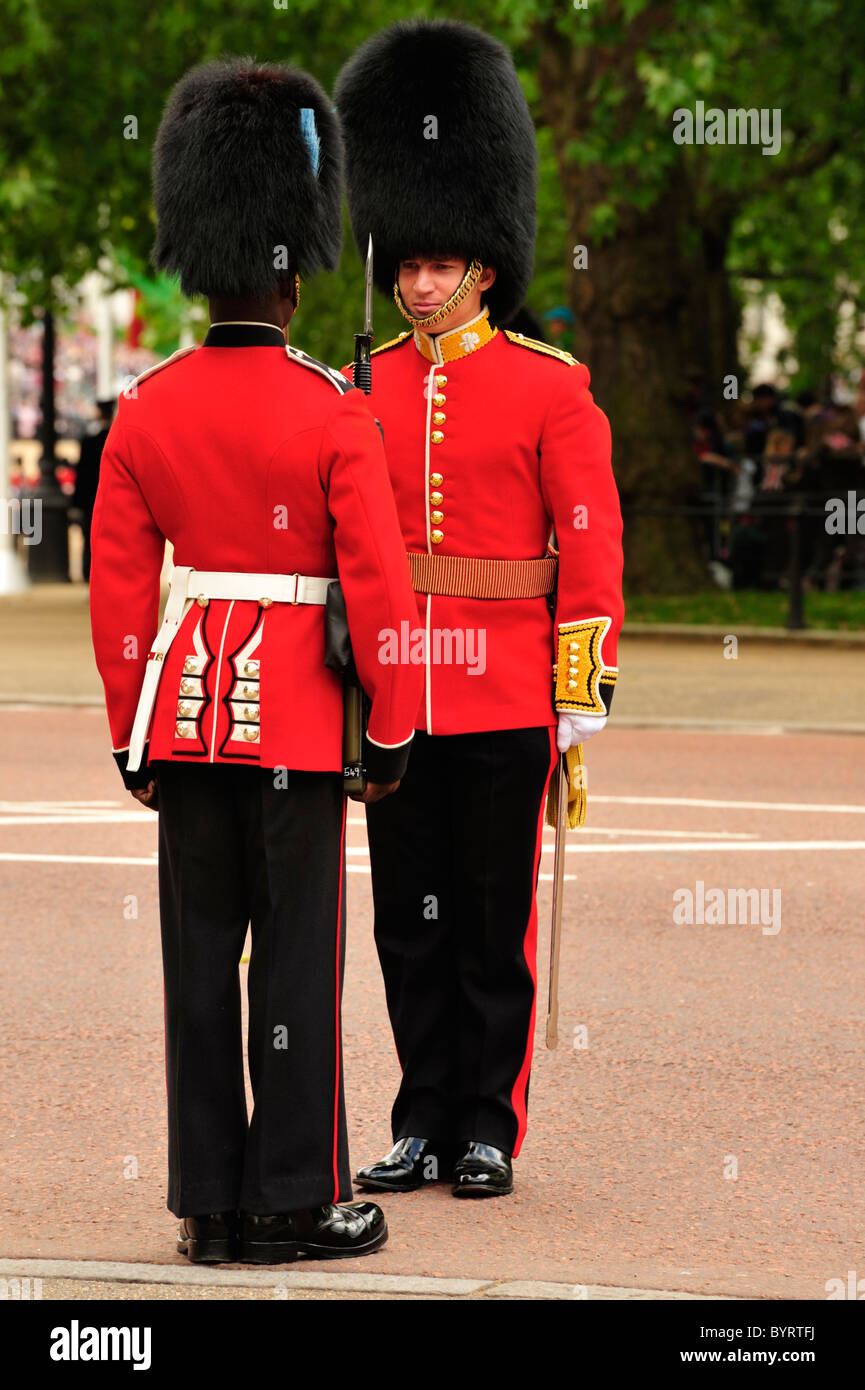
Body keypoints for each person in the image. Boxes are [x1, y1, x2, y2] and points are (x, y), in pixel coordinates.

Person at [89, 58, 423, 1263]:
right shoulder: (334, 407)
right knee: (294, 964)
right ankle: (297, 1195)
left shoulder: (146, 404)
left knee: (195, 968)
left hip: (181, 719)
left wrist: (132, 726)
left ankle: (209, 1206)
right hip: (293, 724)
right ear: (293, 271)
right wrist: (389, 724)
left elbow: (121, 589)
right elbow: (377, 586)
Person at [334, 19, 624, 1199]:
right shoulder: (359, 385)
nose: (416, 280)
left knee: (491, 927)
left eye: (438, 263)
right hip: (400, 689)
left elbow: (590, 546)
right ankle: (418, 1115)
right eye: (404, 261)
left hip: (505, 690)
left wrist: (578, 694)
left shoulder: (554, 392)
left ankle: (487, 1125)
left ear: (484, 267)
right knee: (408, 919)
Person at [72, 398, 115, 581]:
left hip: (91, 499)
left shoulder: (89, 442)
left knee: (90, 539)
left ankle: (90, 577)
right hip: (113, 499)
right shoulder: (115, 439)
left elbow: (82, 474)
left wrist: (77, 501)